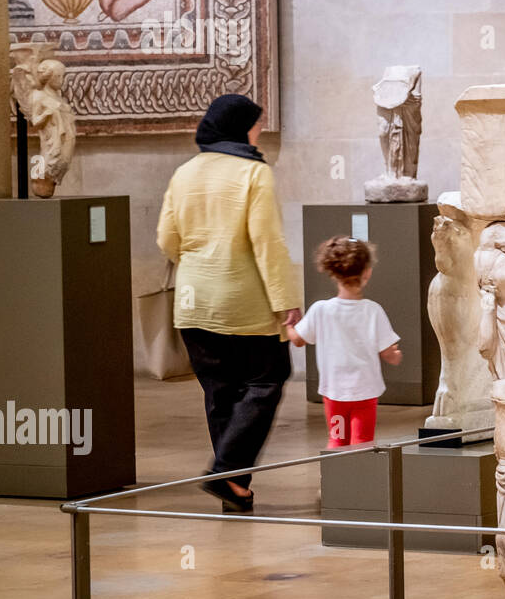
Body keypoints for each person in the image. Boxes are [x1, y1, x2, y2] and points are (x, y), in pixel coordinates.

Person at [156, 94, 300, 513]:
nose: (259, 131)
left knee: (221, 393)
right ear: (240, 127)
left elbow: (166, 239)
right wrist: (286, 302)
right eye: (256, 124)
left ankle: (233, 489)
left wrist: (198, 266)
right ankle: (226, 470)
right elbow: (267, 243)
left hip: (192, 302)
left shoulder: (183, 173)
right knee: (266, 380)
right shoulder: (254, 173)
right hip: (244, 303)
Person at [290, 237, 402, 448]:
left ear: (333, 273)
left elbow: (297, 340)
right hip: (366, 391)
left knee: (337, 439)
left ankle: (337, 477)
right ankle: (360, 478)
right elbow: (388, 352)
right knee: (362, 442)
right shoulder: (373, 310)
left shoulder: (320, 309)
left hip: (333, 391)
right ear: (366, 272)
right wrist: (395, 356)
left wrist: (288, 326)